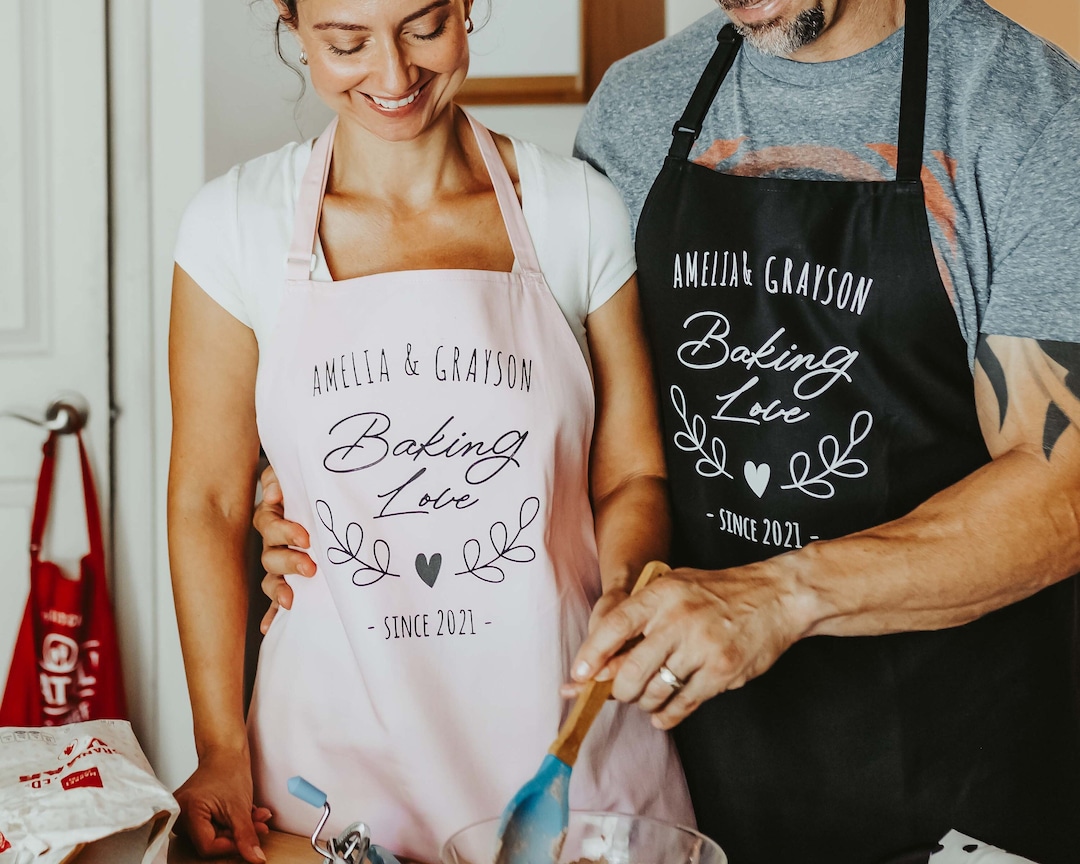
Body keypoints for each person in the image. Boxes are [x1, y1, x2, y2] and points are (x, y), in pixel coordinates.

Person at [257, 0, 1080, 862]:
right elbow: (560, 423)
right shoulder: (641, 107)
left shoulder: (1021, 109)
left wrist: (781, 595)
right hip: (683, 776)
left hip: (949, 772)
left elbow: (1061, 487)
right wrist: (318, 487)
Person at [167, 0, 692, 861]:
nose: (394, 75)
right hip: (335, 762)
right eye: (346, 43)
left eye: (423, 27)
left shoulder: (574, 209)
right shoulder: (234, 226)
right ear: (292, 26)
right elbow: (210, 498)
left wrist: (622, 595)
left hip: (565, 734)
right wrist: (220, 744)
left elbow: (632, 472)